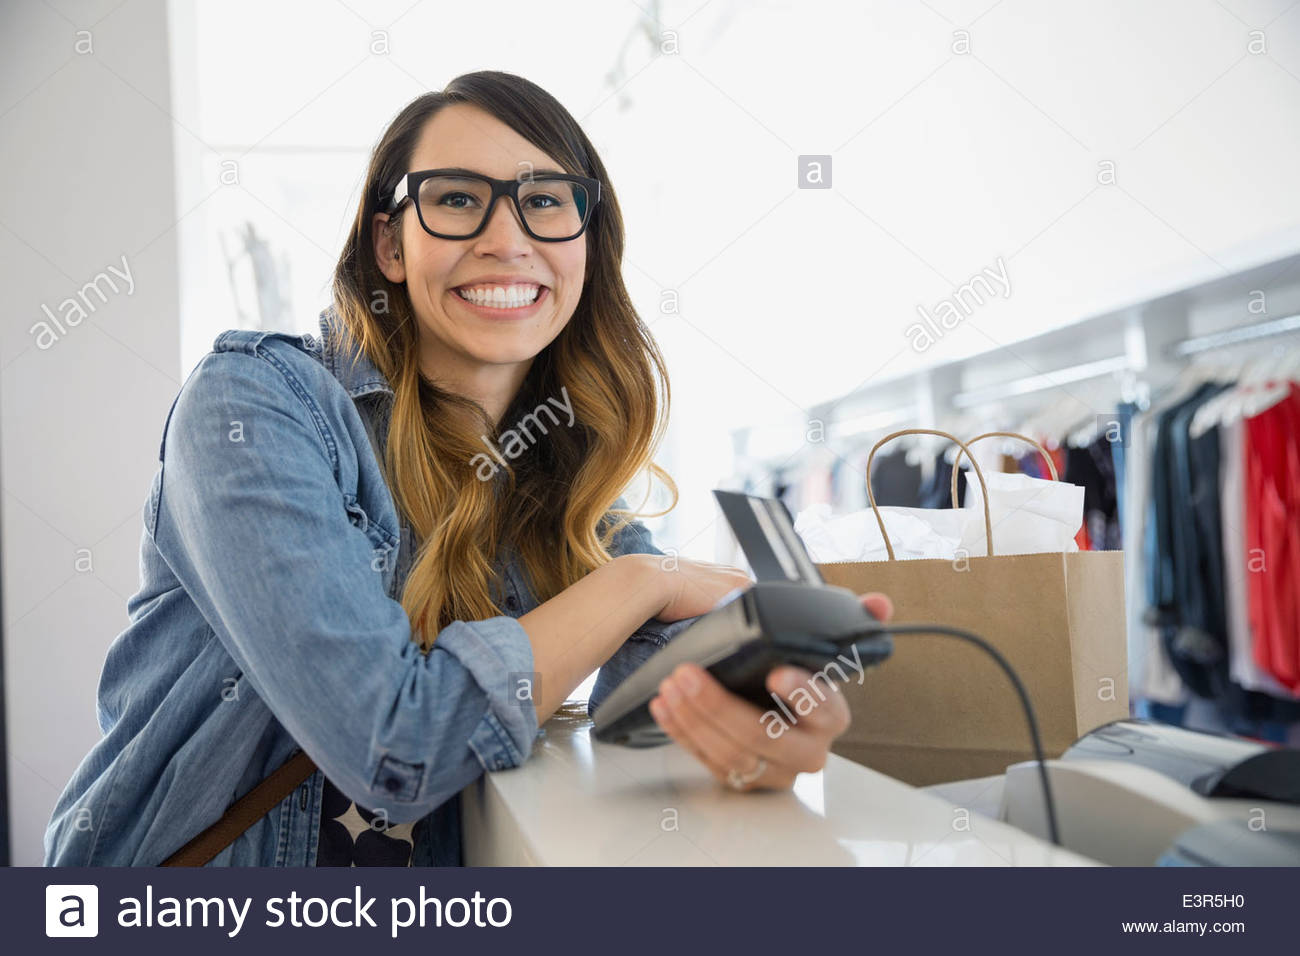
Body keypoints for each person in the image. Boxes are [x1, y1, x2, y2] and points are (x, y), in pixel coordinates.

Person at [44, 70, 892, 867]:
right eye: (456, 200)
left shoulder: (561, 472)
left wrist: (754, 717)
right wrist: (642, 579)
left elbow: (653, 679)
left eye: (545, 203)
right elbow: (392, 742)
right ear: (390, 244)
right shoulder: (255, 407)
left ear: (585, 243)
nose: (506, 240)